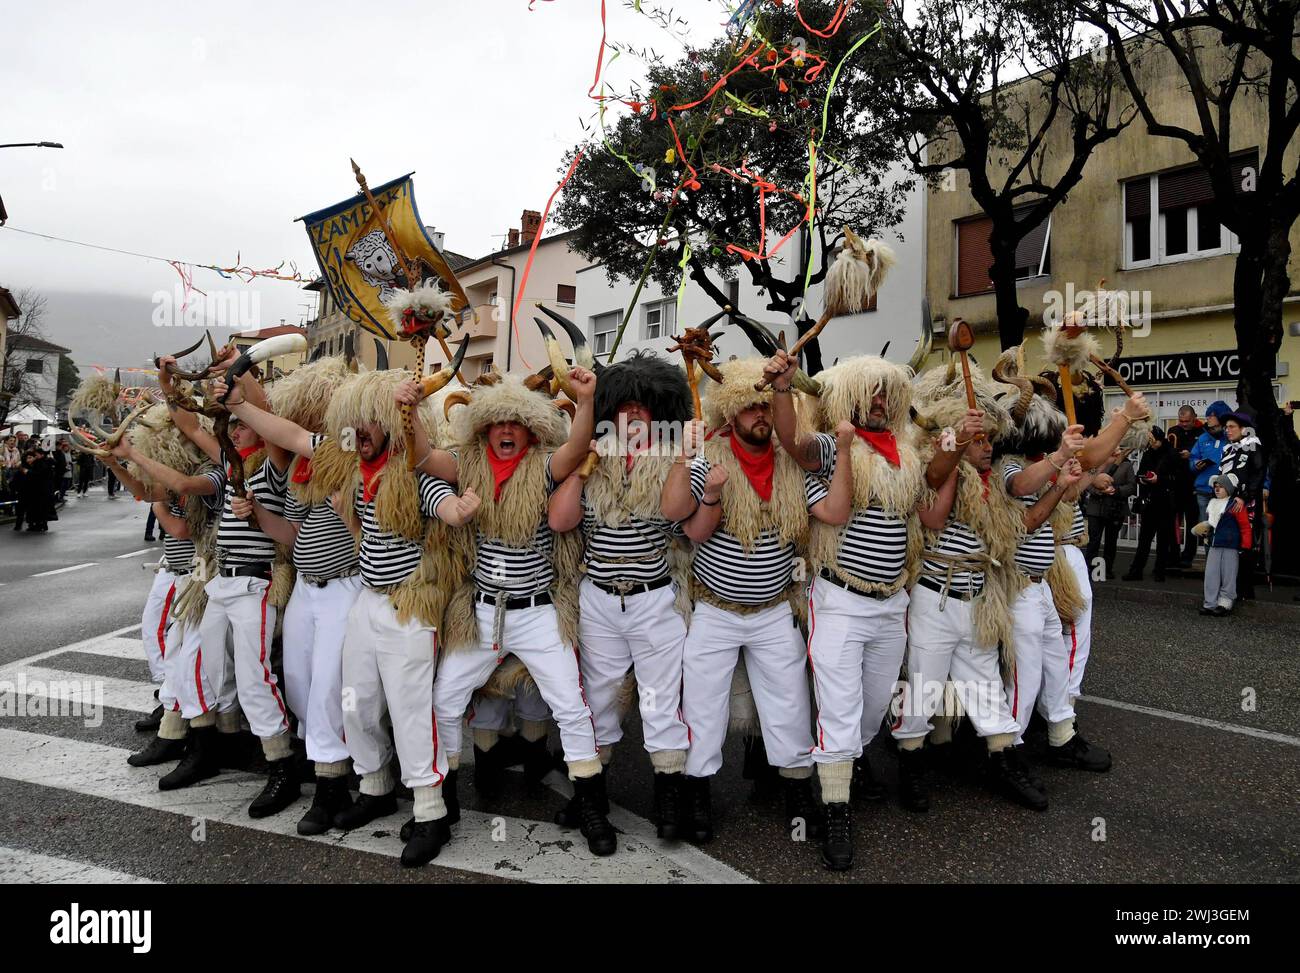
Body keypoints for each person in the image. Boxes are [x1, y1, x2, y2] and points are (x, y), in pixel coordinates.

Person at [425, 366, 622, 860]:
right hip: (480, 613)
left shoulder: (544, 464)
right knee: (445, 698)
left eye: (517, 424)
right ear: (484, 427)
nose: (507, 431)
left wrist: (587, 398)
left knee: (571, 707)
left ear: (531, 430)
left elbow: (578, 449)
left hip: (537, 612)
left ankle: (591, 805)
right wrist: (406, 411)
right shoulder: (466, 464)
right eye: (498, 423)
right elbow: (423, 458)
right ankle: (441, 803)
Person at [661, 357, 852, 848]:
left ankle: (797, 797)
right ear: (731, 412)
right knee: (702, 709)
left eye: (765, 406)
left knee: (789, 705)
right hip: (715, 612)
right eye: (748, 408)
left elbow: (832, 511)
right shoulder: (710, 461)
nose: (758, 415)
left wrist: (847, 453)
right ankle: (697, 796)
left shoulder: (792, 465)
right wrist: (708, 487)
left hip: (772, 612)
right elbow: (688, 527)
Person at [763, 348, 928, 871]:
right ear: (852, 400)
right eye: (870, 394)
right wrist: (784, 390)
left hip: (890, 601)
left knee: (875, 704)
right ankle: (835, 810)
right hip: (840, 599)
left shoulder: (905, 452)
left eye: (886, 394)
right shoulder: (835, 447)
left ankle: (846, 765)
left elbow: (929, 506)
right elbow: (791, 440)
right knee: (839, 707)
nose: (879, 402)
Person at [546, 350, 694, 841]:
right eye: (624, 405)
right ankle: (592, 799)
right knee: (601, 700)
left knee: (660, 701)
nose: (633, 414)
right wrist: (583, 469)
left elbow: (679, 513)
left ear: (660, 412)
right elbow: (561, 521)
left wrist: (679, 459)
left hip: (655, 600)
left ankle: (669, 801)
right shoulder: (592, 456)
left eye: (643, 406)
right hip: (599, 599)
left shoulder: (674, 457)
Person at [216, 358, 366, 837]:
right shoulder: (305, 465)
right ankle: (330, 764)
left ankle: (332, 788)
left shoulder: (345, 450)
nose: (311, 421)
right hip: (306, 586)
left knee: (326, 686)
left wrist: (242, 398)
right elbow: (296, 533)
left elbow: (281, 428)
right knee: (299, 680)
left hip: (345, 586)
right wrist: (258, 516)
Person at [892, 363, 1046, 813]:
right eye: (979, 440)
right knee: (922, 687)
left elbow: (1023, 521)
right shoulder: (933, 470)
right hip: (935, 597)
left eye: (989, 441)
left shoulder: (996, 482)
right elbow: (933, 518)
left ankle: (1003, 759)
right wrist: (955, 456)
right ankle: (910, 765)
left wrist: (1059, 470)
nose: (988, 448)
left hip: (977, 599)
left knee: (985, 685)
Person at [1123, 430, 1182, 582]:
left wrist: (1159, 479)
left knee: (1163, 540)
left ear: (1160, 439)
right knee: (1144, 539)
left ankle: (1159, 571)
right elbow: (1140, 473)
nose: (1152, 443)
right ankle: (1136, 570)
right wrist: (1142, 479)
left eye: (1154, 440)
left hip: (1166, 502)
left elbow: (1177, 478)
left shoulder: (1171, 453)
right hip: (1149, 501)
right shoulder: (1148, 453)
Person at [1217, 412, 1265, 599]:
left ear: (1243, 429)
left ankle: (1245, 589)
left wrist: (1245, 496)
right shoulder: (1228, 448)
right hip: (1227, 502)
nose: (1227, 430)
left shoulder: (1252, 445)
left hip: (1246, 502)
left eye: (1232, 427)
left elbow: (1258, 473)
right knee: (1229, 542)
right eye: (1226, 427)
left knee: (1245, 545)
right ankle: (1229, 587)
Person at [1194, 473, 1252, 616]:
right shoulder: (1212, 503)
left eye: (1221, 487)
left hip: (1231, 544)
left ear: (1228, 488)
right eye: (1216, 487)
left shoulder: (1235, 504)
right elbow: (1211, 524)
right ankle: (1210, 603)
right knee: (1211, 574)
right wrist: (1203, 532)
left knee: (1228, 575)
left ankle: (1225, 602)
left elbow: (1245, 526)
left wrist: (1245, 545)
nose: (1217, 489)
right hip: (1215, 543)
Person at [1083, 447, 1135, 581]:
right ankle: (1089, 569)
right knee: (1094, 540)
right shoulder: (1098, 462)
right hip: (1096, 508)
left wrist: (1116, 491)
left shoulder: (1127, 465)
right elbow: (1087, 482)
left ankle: (1107, 570)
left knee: (1111, 542)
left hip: (1115, 508)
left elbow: (1131, 486)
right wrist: (1100, 491)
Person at [1167, 406, 1203, 568]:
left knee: (1192, 522)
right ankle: (1173, 555)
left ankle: (1188, 555)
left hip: (1193, 483)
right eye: (1181, 421)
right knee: (1173, 521)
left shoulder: (1202, 431)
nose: (1183, 424)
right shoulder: (1173, 430)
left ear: (1194, 417)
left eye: (1187, 421)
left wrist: (1191, 456)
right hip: (1176, 483)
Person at [1189, 401, 1230, 524]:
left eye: (1211, 415)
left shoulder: (1232, 437)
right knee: (1205, 530)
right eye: (1207, 415)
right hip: (1204, 490)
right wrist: (1195, 465)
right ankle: (1207, 544)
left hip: (1226, 491)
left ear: (1221, 416)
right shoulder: (1203, 438)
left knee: (1222, 528)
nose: (1208, 418)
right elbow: (1193, 458)